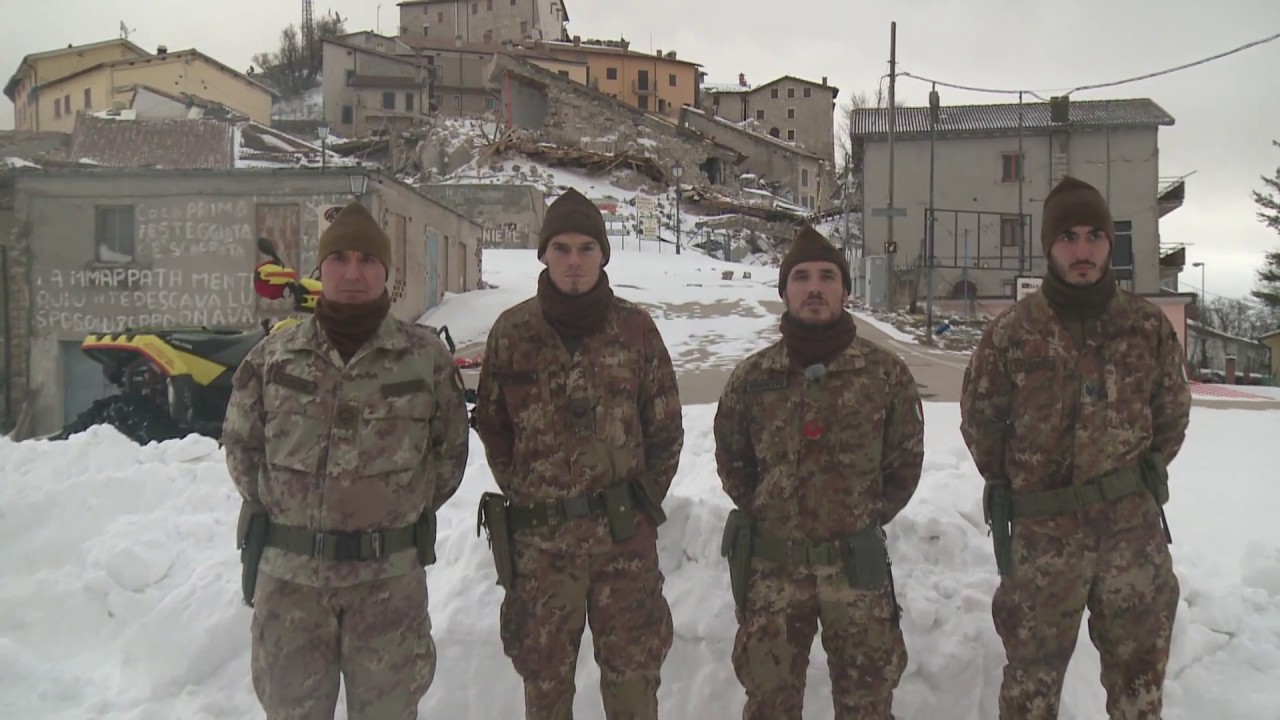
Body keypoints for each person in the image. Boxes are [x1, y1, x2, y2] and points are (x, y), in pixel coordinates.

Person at [223, 200, 470, 719]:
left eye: (367, 261)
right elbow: (243, 447)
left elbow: (448, 457)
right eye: (339, 260)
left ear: (386, 273)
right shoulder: (274, 358)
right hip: (292, 588)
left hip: (387, 589)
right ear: (321, 269)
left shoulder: (425, 360)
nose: (353, 273)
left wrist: (387, 511)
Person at [960, 176, 1192, 719]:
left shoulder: (1145, 326)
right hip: (1044, 542)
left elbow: (1172, 414)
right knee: (1030, 690)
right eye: (1068, 237)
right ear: (1048, 247)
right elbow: (981, 423)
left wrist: (1130, 481)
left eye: (1094, 236)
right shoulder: (1014, 334)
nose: (1082, 250)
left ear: (1110, 243)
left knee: (1139, 685)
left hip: (1131, 537)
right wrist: (1031, 488)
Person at [472, 187, 684, 720]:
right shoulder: (513, 333)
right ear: (543, 255)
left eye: (586, 248)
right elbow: (493, 425)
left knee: (634, 688)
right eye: (561, 248)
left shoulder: (635, 329)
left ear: (603, 255)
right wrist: (526, 489)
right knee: (544, 691)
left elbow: (665, 429)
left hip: (623, 545)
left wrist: (635, 503)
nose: (573, 261)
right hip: (541, 551)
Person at [713, 224, 924, 720]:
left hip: (857, 569)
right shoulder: (753, 377)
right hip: (774, 571)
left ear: (845, 291)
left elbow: (904, 462)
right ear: (784, 291)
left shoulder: (884, 375)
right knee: (769, 703)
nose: (814, 288)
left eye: (828, 277)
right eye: (801, 277)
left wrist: (862, 515)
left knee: (868, 704)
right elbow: (733, 460)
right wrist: (771, 512)